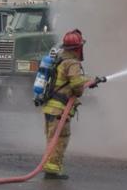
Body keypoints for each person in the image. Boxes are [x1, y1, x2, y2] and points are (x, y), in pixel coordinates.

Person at [41, 29, 103, 180]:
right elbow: (76, 84)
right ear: (78, 48)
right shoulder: (72, 63)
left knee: (52, 139)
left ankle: (50, 168)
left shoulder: (60, 60)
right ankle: (52, 171)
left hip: (51, 107)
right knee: (60, 138)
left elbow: (69, 80)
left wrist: (89, 81)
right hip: (59, 109)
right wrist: (85, 85)